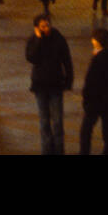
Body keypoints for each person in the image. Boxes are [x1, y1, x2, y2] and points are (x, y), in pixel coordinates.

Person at [25, 13, 73, 155]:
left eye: (48, 25)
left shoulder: (58, 38)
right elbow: (31, 58)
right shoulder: (33, 40)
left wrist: (69, 80)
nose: (46, 28)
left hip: (55, 85)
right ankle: (46, 150)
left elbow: (67, 60)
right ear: (37, 28)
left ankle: (59, 150)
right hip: (40, 85)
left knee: (57, 122)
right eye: (43, 26)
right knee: (44, 121)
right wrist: (39, 39)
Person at [79, 27, 108, 155]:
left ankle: (84, 152)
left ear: (97, 41)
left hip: (95, 101)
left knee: (86, 130)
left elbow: (91, 81)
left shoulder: (98, 58)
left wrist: (86, 98)